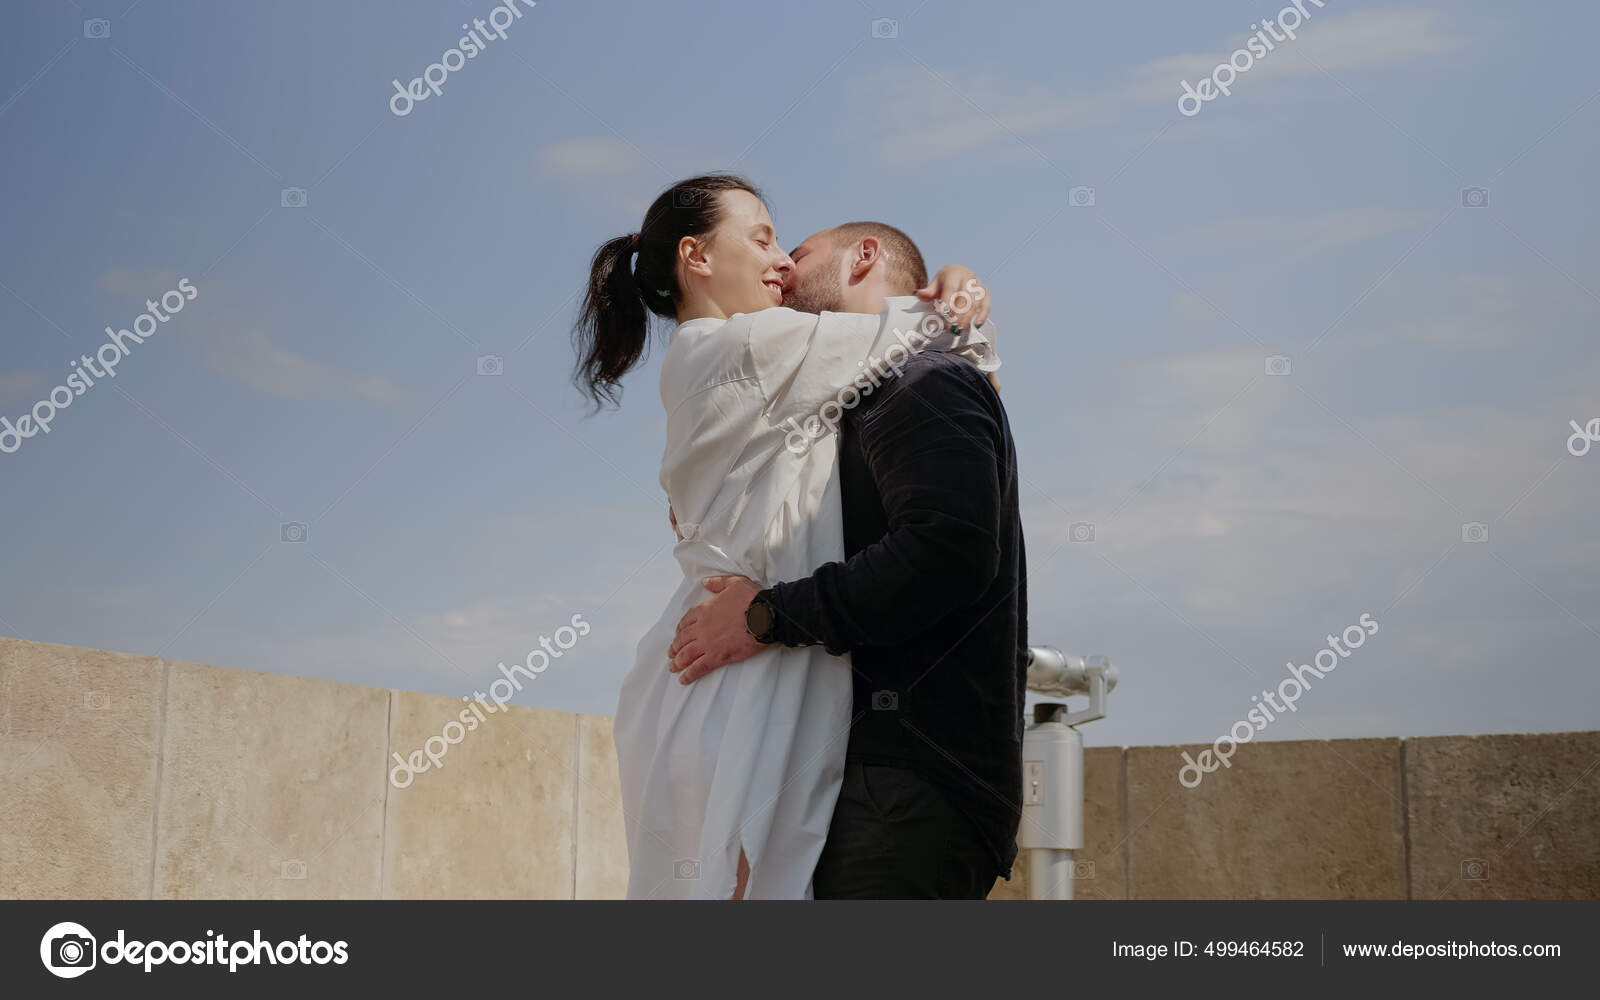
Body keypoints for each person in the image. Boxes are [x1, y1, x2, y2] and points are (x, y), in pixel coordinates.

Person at [574, 174, 997, 899]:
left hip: (728, 667)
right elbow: (935, 336)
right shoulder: (747, 346)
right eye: (763, 238)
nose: (782, 263)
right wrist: (957, 290)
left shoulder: (748, 359)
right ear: (696, 257)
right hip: (732, 676)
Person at [668, 220, 1028, 899]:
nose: (781, 268)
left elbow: (946, 551)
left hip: (905, 787)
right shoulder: (866, 396)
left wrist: (764, 618)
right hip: (873, 786)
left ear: (863, 258)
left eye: (797, 253)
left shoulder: (920, 379)